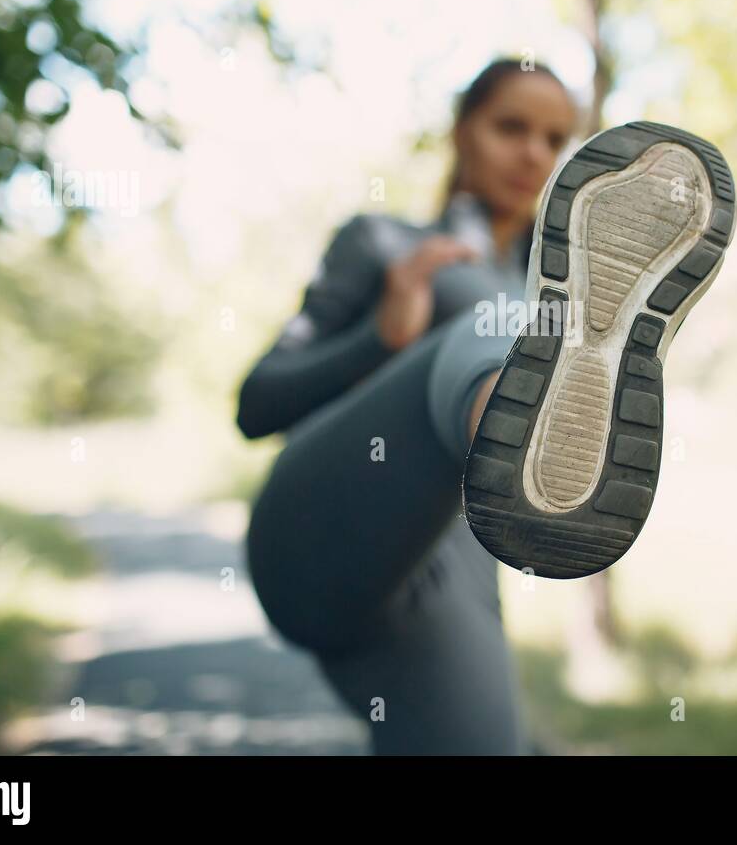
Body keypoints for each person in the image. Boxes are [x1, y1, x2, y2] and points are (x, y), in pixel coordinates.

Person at [237, 58, 579, 755]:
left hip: (451, 568)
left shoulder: (548, 291)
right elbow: (256, 404)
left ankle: (534, 451)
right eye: (511, 127)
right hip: (324, 533)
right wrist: (379, 338)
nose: (532, 155)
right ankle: (522, 433)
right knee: (489, 318)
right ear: (462, 131)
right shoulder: (384, 243)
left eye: (553, 139)